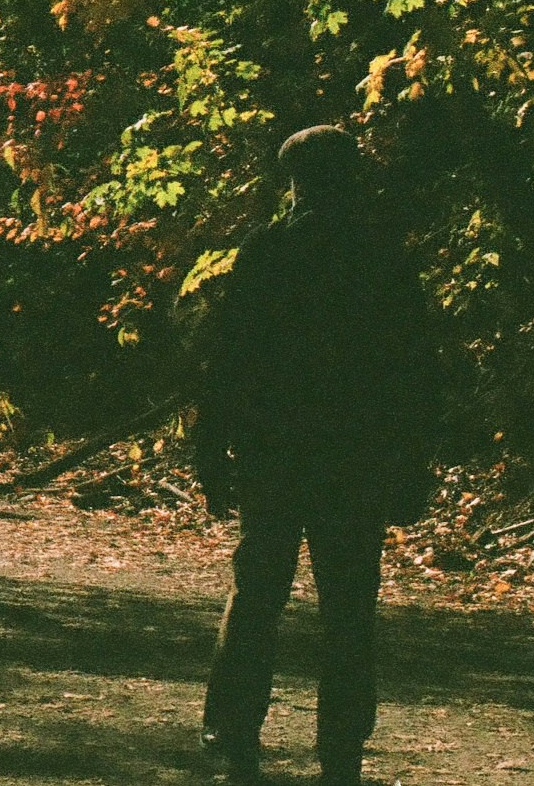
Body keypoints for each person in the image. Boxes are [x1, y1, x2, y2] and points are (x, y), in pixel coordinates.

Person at [195, 125, 440, 786]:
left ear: (293, 181)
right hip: (354, 460)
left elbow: (228, 361)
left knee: (257, 593)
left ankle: (235, 728)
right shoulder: (384, 258)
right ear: (352, 176)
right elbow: (415, 371)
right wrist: (414, 461)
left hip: (273, 453)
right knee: (349, 604)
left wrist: (210, 449)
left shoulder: (267, 251)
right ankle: (341, 749)